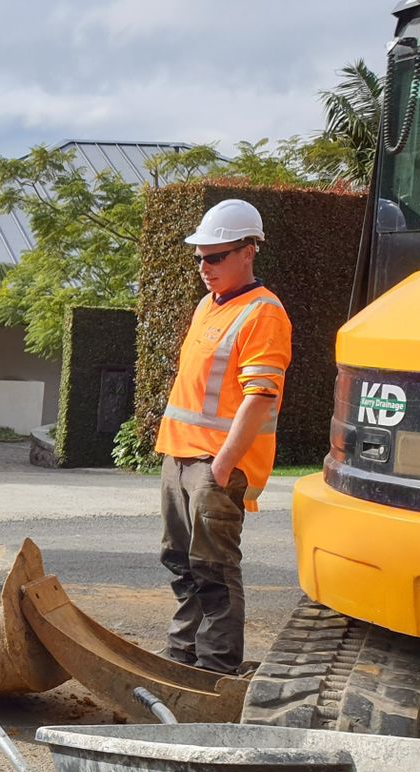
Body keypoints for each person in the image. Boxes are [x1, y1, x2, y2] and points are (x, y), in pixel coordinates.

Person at [155, 199, 290, 675]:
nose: (204, 267)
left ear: (248, 251)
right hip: (179, 455)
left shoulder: (263, 313)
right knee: (180, 562)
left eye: (215, 257)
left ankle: (215, 667)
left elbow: (260, 396)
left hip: (215, 464)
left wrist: (223, 464)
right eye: (199, 257)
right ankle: (182, 654)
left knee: (213, 570)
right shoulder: (207, 306)